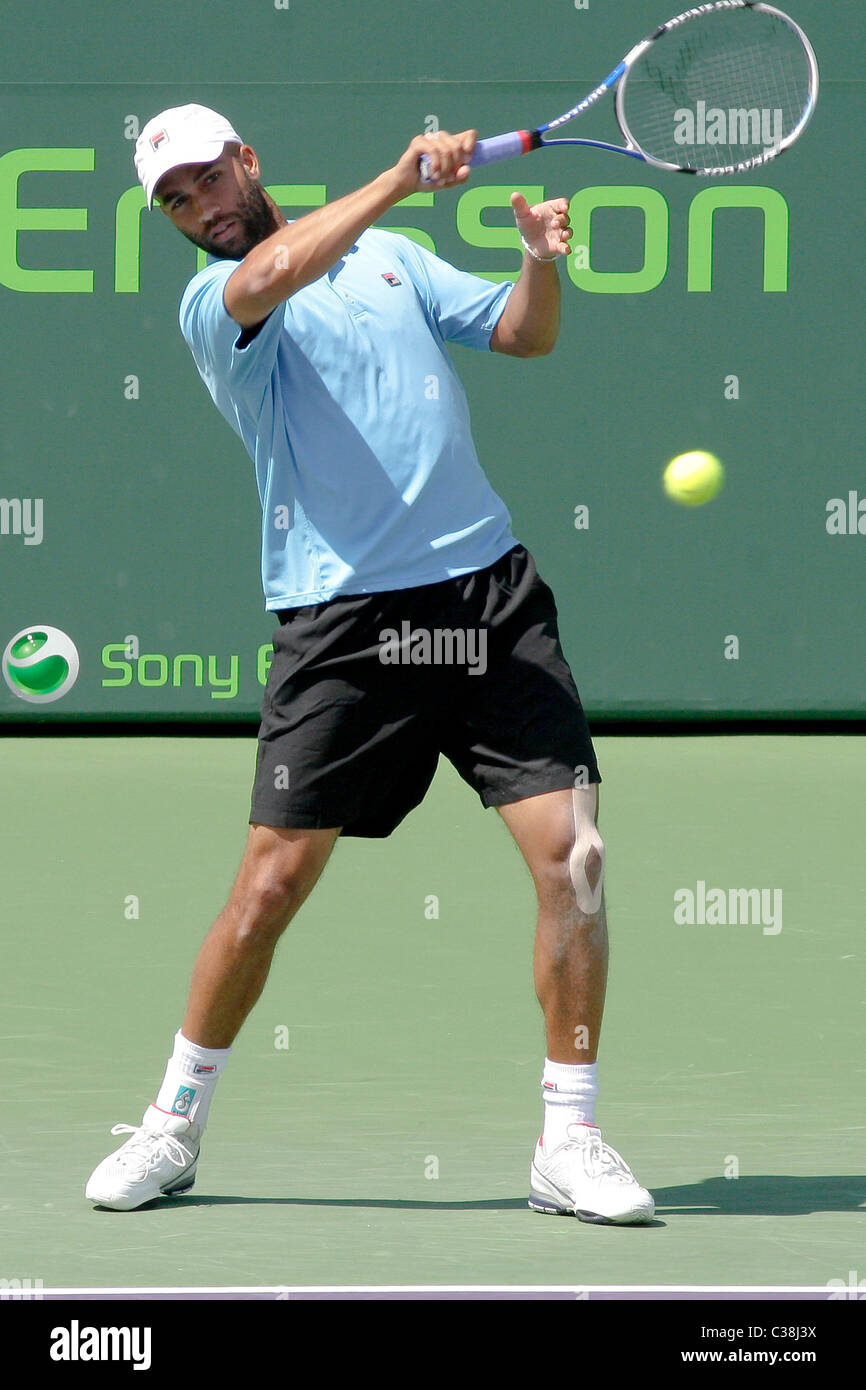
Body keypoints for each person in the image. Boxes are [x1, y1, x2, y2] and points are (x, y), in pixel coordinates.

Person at [85, 103, 654, 1224]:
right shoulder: (217, 301)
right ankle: (172, 1125)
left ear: (249, 159)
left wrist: (539, 264)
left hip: (488, 598)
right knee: (268, 887)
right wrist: (396, 176)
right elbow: (275, 273)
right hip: (342, 624)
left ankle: (570, 1137)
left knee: (573, 857)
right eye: (175, 202)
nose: (198, 209)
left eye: (206, 179)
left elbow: (522, 337)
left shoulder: (392, 260)